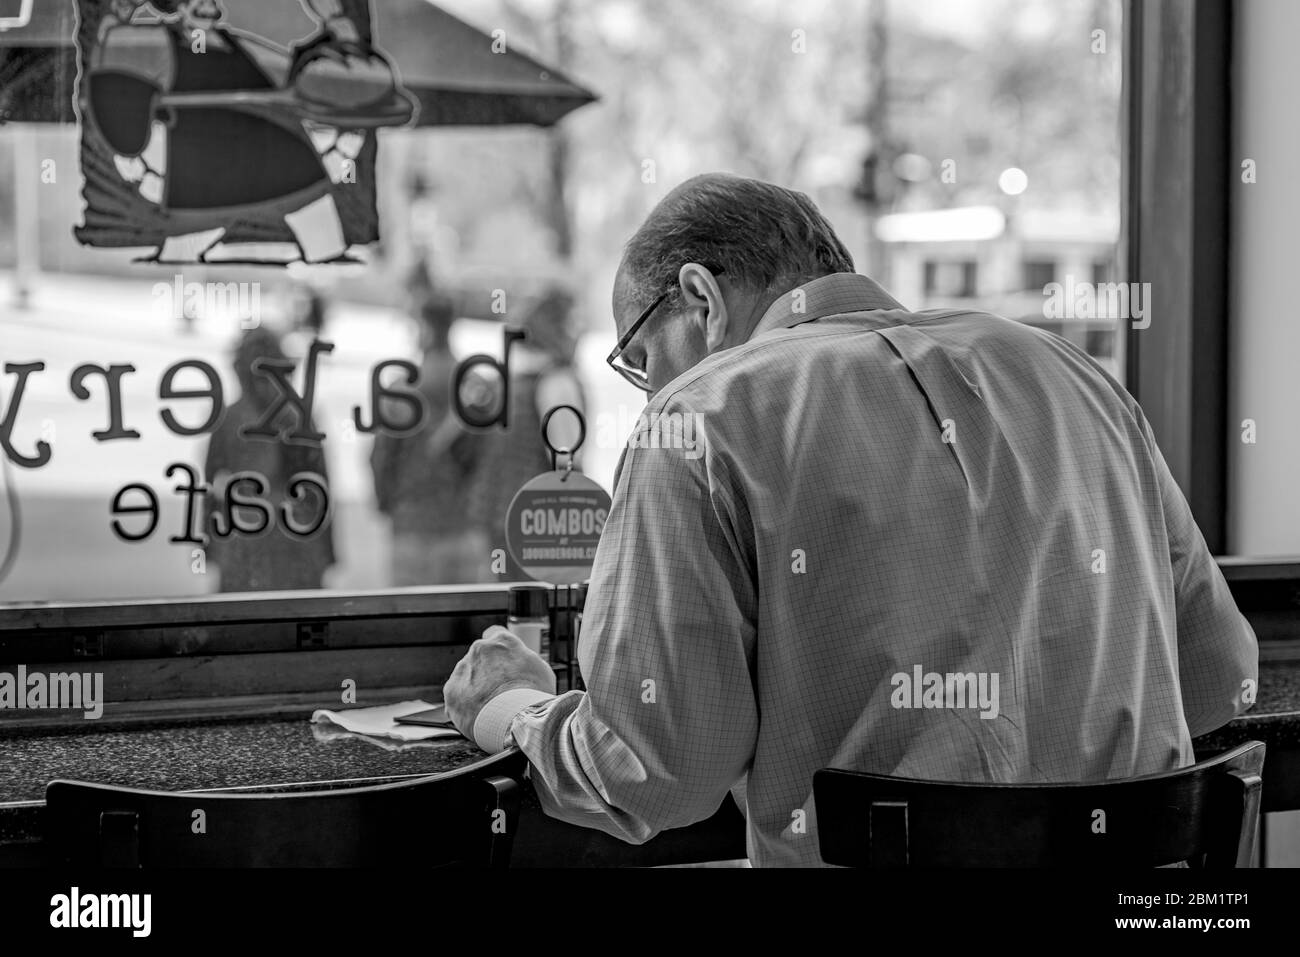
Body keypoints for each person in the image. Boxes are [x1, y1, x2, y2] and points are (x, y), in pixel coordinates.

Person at [443, 173, 1258, 867]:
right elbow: (1221, 675)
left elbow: (653, 773)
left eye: (640, 359)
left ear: (699, 298)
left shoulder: (700, 419)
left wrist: (513, 708)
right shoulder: (1078, 379)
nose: (649, 389)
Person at [464, 285, 586, 580]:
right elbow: (567, 461)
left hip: (496, 518)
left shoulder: (503, 382)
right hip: (538, 522)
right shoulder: (556, 383)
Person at [370, 290, 490, 585]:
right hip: (462, 523)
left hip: (412, 522)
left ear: (424, 326)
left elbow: (382, 456)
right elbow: (486, 459)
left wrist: (385, 501)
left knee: (412, 624)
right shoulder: (477, 387)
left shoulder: (399, 388)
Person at [204, 326, 335, 591]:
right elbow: (319, 486)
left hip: (259, 539)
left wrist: (208, 544)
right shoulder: (293, 417)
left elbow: (209, 484)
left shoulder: (233, 418)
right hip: (280, 539)